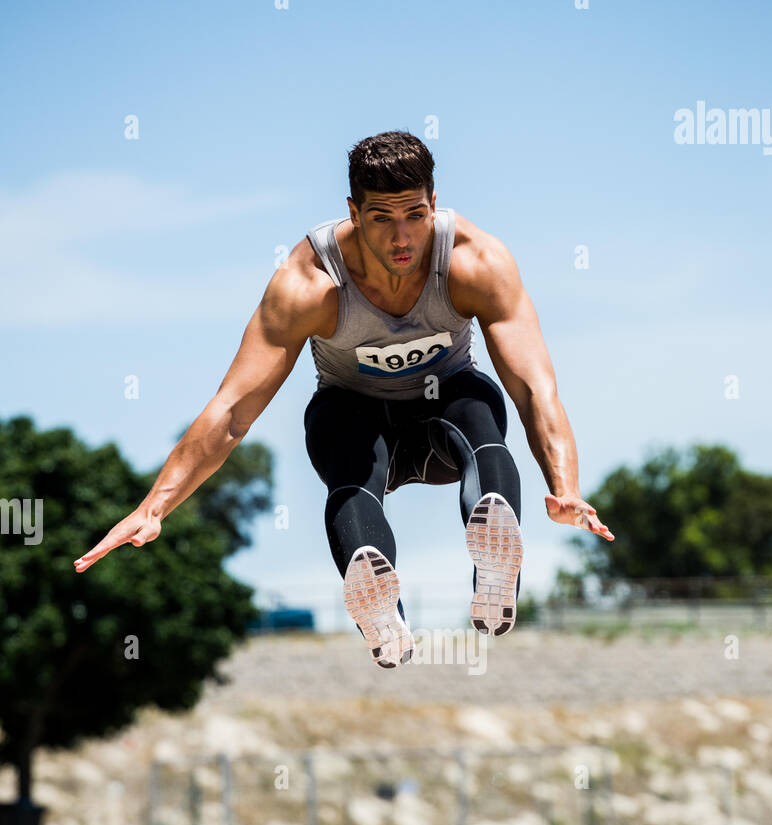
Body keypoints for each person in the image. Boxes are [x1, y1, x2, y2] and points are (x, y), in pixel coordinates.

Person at [74, 130, 613, 667]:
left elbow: (534, 387)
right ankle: (381, 612)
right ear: (353, 212)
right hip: (357, 420)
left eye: (415, 215)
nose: (403, 237)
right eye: (382, 218)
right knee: (340, 437)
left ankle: (496, 568)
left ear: (434, 204)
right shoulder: (308, 284)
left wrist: (565, 489)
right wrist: (153, 507)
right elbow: (233, 410)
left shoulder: (477, 263)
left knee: (480, 401)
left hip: (443, 419)